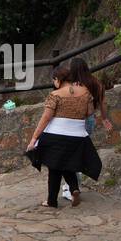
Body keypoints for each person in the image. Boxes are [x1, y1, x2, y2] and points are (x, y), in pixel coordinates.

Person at [26, 63, 103, 209]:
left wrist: (34, 138)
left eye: (53, 80)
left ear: (57, 79)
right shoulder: (85, 92)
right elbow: (89, 112)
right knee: (67, 164)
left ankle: (51, 201)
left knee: (54, 168)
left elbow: (45, 118)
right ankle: (74, 188)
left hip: (56, 136)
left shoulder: (55, 95)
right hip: (78, 136)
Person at [60, 57, 113, 200]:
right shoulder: (96, 83)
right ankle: (73, 185)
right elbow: (103, 103)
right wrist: (104, 118)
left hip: (74, 121)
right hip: (89, 121)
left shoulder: (74, 85)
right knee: (78, 152)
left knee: (70, 154)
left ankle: (71, 187)